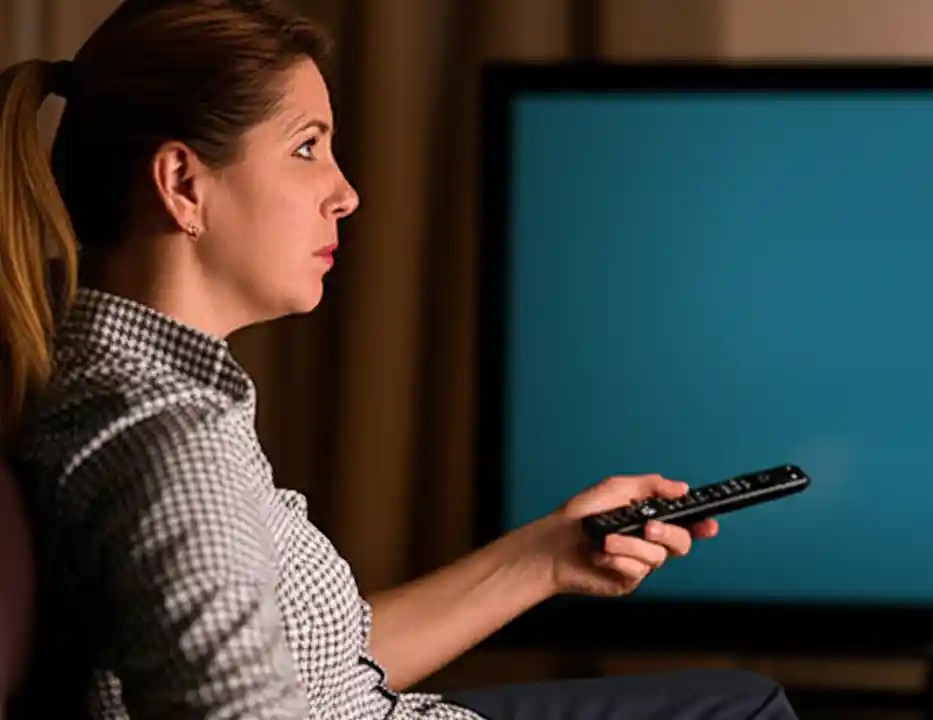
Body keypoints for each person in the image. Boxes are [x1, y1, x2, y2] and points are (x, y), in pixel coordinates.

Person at [0, 1, 800, 718]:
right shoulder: (171, 442)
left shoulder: (102, 379)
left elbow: (312, 673)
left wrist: (543, 559)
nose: (345, 193)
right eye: (307, 147)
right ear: (183, 183)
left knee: (736, 697)